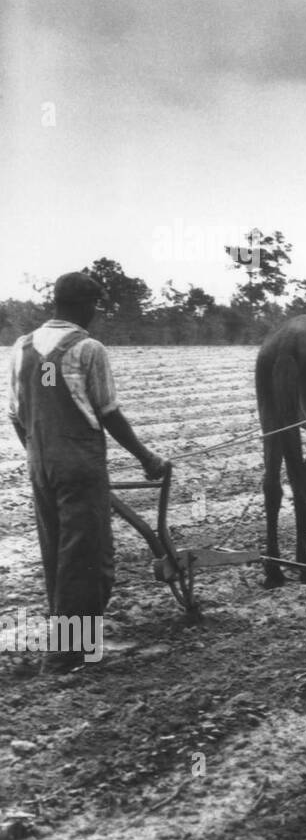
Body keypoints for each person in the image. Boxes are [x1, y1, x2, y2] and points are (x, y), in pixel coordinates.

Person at [8, 272, 169, 674]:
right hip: (80, 464)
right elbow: (109, 412)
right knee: (89, 558)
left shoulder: (21, 346)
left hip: (41, 464)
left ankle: (71, 643)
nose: (96, 314)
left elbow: (15, 414)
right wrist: (146, 458)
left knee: (57, 551)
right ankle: (65, 655)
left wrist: (39, 452)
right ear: (84, 306)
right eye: (95, 305)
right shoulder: (88, 348)